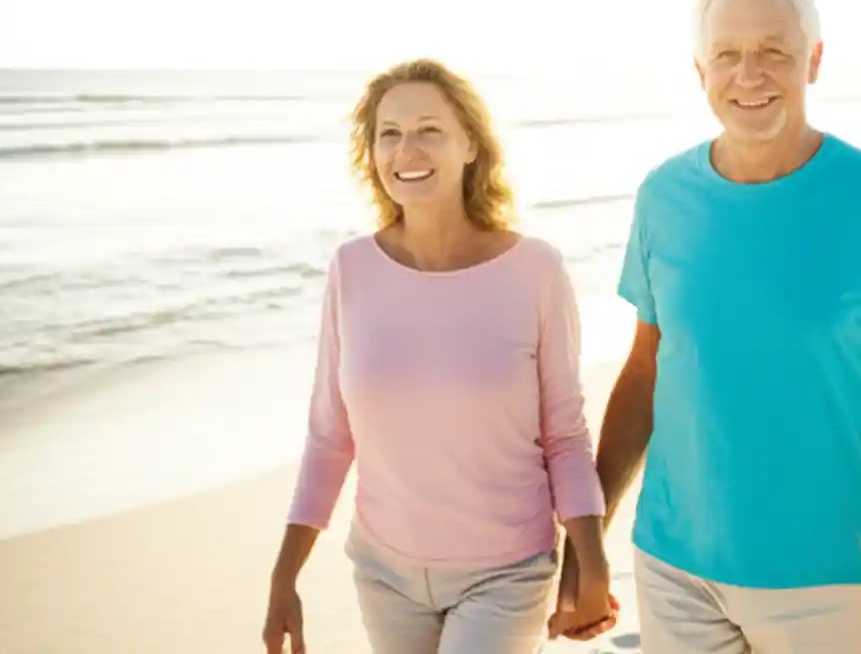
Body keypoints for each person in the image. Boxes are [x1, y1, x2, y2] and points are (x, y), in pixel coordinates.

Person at [553, 0, 861, 653]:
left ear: (815, 60)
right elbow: (645, 374)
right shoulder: (663, 197)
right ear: (700, 71)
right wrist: (586, 545)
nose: (750, 75)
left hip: (827, 578)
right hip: (673, 567)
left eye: (774, 51)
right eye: (727, 55)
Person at [262, 58, 617, 654]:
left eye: (429, 129)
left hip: (505, 572)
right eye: (389, 134)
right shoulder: (352, 269)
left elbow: (565, 434)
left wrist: (592, 561)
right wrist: (284, 575)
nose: (408, 150)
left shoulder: (535, 269)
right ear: (372, 153)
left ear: (471, 145)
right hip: (383, 573)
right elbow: (330, 436)